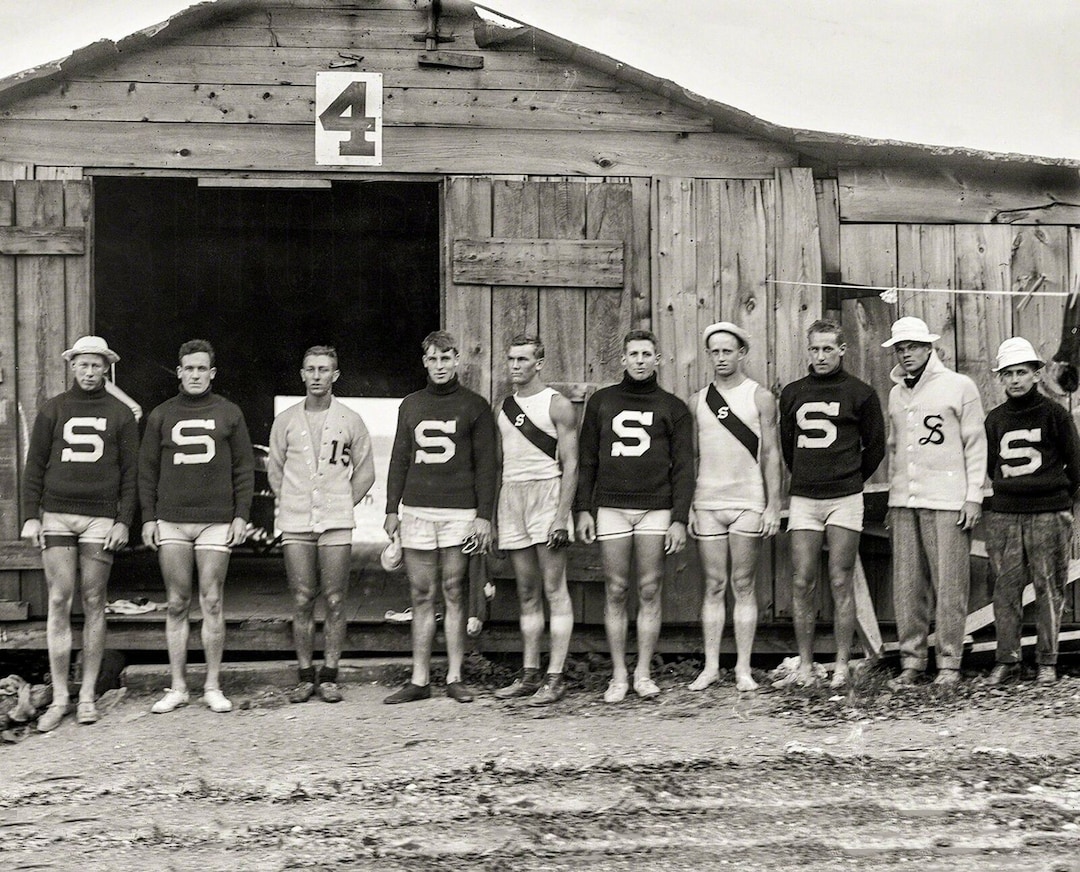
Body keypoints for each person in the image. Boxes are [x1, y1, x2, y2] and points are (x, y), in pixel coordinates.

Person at [20, 336, 139, 731]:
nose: (89, 372)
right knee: (59, 598)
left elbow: (130, 474)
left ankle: (86, 695)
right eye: (83, 365)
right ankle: (59, 697)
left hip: (99, 519)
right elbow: (35, 465)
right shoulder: (53, 408)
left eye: (96, 365)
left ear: (107, 368)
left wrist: (123, 520)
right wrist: (31, 516)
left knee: (94, 599)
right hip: (56, 514)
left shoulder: (120, 414)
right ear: (72, 366)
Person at [574, 329, 694, 702]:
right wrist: (583, 509)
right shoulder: (602, 401)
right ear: (623, 359)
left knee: (649, 589)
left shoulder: (673, 407)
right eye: (634, 354)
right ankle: (618, 675)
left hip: (655, 507)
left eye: (646, 354)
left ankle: (642, 672)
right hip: (611, 506)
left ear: (657, 359)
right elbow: (587, 460)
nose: (640, 361)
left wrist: (679, 517)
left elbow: (684, 467)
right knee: (615, 589)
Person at [382, 331, 497, 704]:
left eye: (446, 358)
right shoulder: (411, 404)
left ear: (457, 360)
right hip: (417, 509)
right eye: (433, 359)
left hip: (459, 512)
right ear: (425, 362)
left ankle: (454, 676)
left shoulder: (475, 406)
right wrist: (391, 508)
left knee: (453, 591)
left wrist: (483, 515)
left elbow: (487, 466)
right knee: (420, 593)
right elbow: (399, 459)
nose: (440, 365)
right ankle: (419, 679)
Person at [139, 340, 254, 714]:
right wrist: (148, 517)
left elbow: (243, 468)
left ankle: (212, 686)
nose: (195, 374)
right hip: (172, 518)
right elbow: (146, 471)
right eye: (189, 368)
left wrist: (241, 515)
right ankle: (177, 687)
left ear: (212, 373)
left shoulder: (229, 412)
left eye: (202, 368)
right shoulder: (161, 414)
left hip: (215, 520)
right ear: (179, 371)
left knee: (212, 600)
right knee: (176, 602)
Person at [780, 319, 886, 687]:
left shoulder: (861, 393)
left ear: (842, 349)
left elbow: (875, 447)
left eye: (828, 348)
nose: (821, 356)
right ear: (808, 350)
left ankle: (841, 664)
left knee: (841, 580)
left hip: (845, 497)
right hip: (805, 497)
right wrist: (808, 476)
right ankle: (806, 665)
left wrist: (850, 477)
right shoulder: (792, 393)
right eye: (815, 348)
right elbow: (788, 448)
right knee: (802, 581)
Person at [268, 346, 375, 704]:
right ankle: (304, 675)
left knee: (335, 598)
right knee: (301, 598)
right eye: (311, 369)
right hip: (296, 520)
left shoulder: (350, 419)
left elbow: (366, 471)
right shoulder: (285, 420)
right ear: (302, 374)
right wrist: (296, 501)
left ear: (335, 375)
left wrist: (340, 503)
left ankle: (329, 674)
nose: (317, 376)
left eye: (324, 369)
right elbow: (275, 471)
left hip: (336, 522)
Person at [883, 317, 986, 687]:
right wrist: (894, 499)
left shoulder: (959, 386)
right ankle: (912, 662)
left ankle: (949, 663)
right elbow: (895, 448)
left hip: (947, 501)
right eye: (900, 348)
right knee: (907, 586)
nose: (906, 354)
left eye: (912, 346)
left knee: (950, 584)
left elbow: (976, 444)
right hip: (905, 501)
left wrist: (973, 497)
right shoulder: (896, 394)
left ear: (929, 347)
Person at [686, 322, 781, 693]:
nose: (721, 358)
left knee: (743, 584)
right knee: (714, 585)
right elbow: (692, 457)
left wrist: (773, 505)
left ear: (742, 353)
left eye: (728, 351)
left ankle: (743, 668)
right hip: (708, 501)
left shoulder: (760, 397)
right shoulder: (698, 401)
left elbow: (771, 454)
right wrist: (690, 506)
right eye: (715, 352)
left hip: (747, 501)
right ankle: (711, 667)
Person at [983, 337, 1080, 687]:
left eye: (1021, 372)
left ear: (1037, 374)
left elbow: (1076, 464)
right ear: (1000, 378)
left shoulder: (1055, 413)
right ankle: (1006, 660)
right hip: (1006, 514)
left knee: (1049, 587)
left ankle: (1047, 661)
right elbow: (992, 466)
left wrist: (1056, 497)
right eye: (1008, 374)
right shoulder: (995, 419)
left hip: (1048, 513)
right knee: (1005, 589)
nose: (1015, 380)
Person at [492, 335, 579, 706]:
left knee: (554, 589)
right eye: (511, 359)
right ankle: (529, 674)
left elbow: (571, 465)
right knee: (526, 591)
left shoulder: (557, 404)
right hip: (512, 496)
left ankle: (555, 677)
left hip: (547, 495)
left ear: (539, 363)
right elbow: (499, 464)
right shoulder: (503, 406)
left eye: (523, 359)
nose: (515, 366)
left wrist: (561, 516)